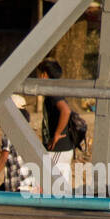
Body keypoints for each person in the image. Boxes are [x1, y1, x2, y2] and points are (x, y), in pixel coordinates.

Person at [37, 59, 75, 192]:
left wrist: (57, 134)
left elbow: (66, 111)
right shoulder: (54, 91)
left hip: (59, 147)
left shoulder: (53, 94)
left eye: (39, 73)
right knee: (58, 185)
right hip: (61, 147)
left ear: (45, 75)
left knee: (51, 182)